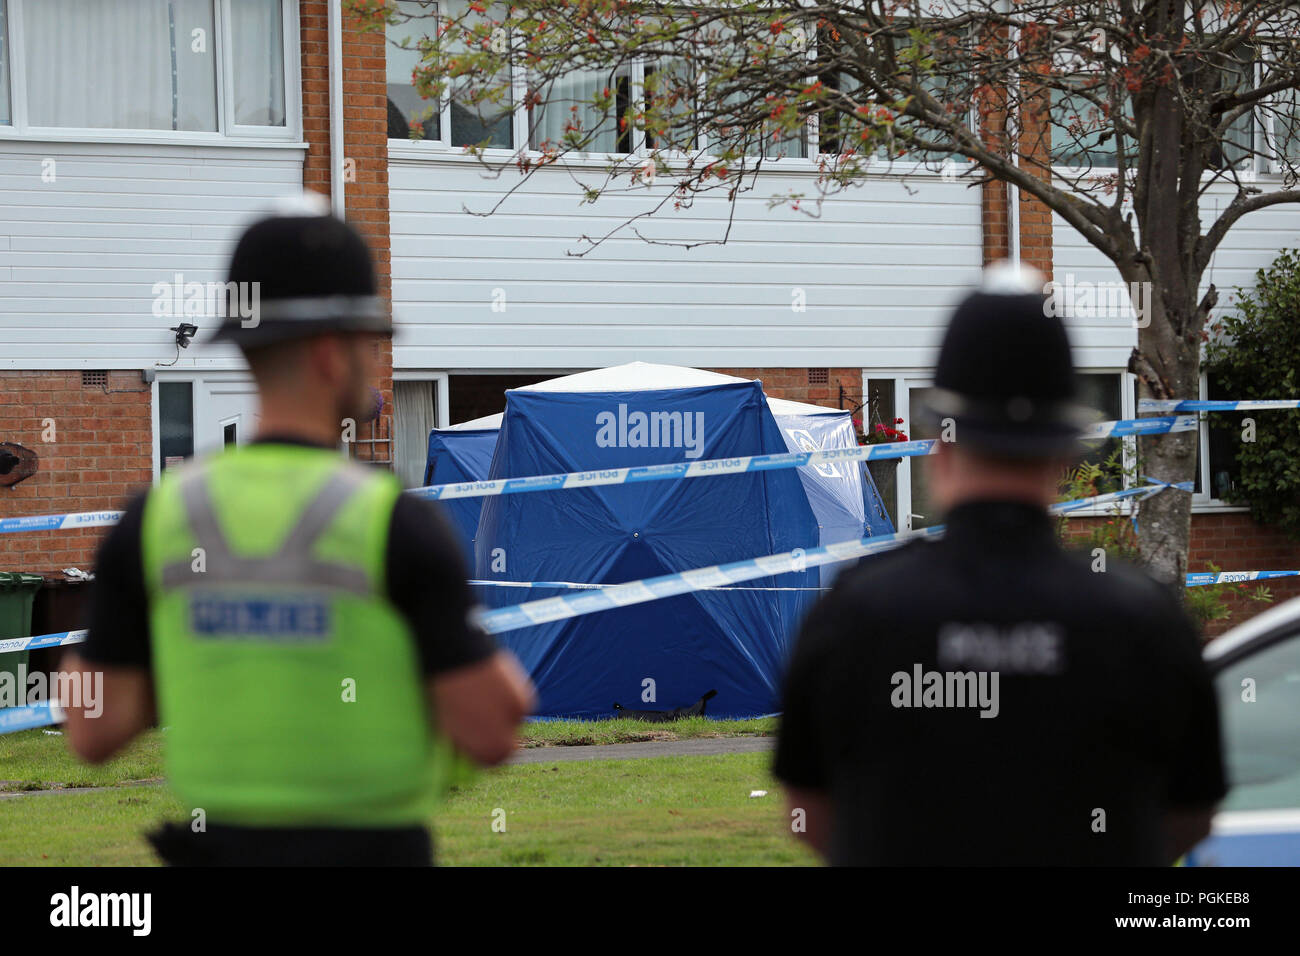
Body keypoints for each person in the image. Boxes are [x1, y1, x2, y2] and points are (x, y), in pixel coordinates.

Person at [61, 197, 535, 866]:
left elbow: (93, 727)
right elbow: (489, 730)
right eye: (368, 342)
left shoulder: (156, 519)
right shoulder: (394, 522)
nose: (373, 360)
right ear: (327, 353)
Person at [773, 263, 1227, 866]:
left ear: (939, 443)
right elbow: (1189, 816)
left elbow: (809, 812)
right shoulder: (1144, 620)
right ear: (1066, 449)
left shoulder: (854, 613)